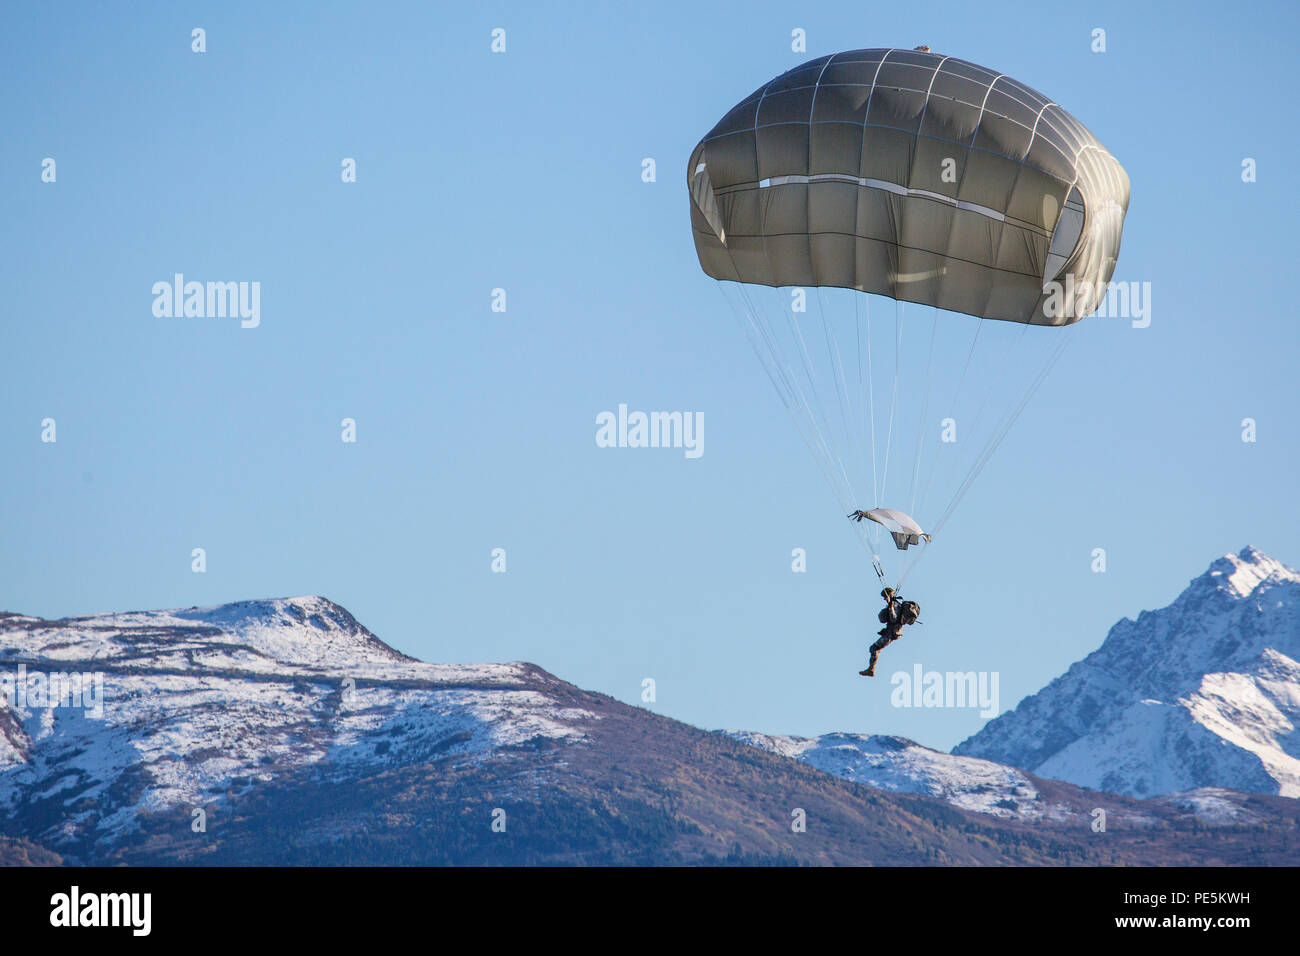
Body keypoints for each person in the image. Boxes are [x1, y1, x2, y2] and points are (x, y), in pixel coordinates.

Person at [860, 587, 919, 677]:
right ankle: (871, 669)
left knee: (874, 648)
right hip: (892, 631)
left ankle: (871, 670)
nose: (884, 599)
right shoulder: (893, 604)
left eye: (884, 597)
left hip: (892, 632)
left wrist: (890, 608)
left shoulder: (894, 605)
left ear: (888, 595)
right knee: (875, 648)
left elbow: (894, 618)